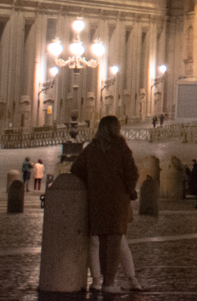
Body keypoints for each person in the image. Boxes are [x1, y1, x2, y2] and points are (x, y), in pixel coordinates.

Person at [70, 115, 138, 295]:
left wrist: (92, 183)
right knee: (114, 242)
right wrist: (130, 190)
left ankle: (102, 280)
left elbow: (75, 169)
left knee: (102, 241)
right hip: (117, 201)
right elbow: (131, 172)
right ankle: (109, 282)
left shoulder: (91, 148)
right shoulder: (120, 146)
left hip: (98, 201)